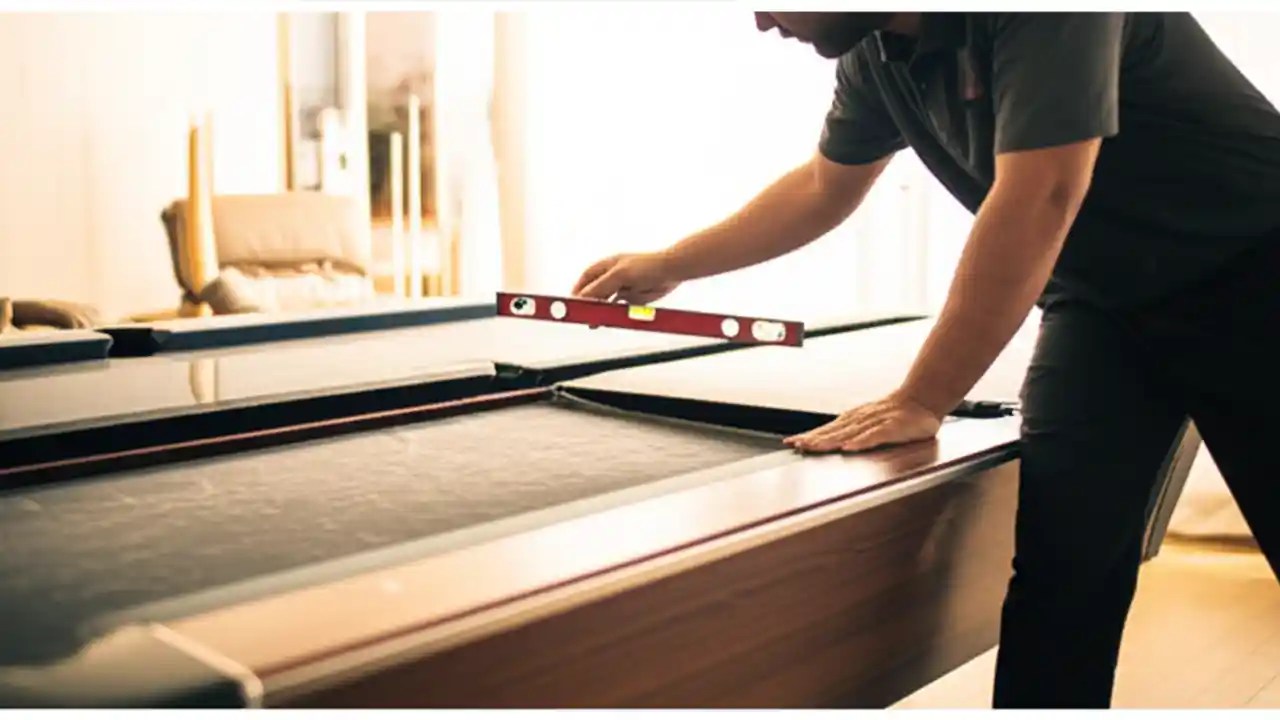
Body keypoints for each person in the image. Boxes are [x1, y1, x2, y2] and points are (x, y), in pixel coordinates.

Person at [571, 12, 1280, 709]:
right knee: (1062, 575)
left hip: (1253, 272)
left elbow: (1043, 194)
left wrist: (922, 398)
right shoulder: (879, 56)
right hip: (1102, 307)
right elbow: (824, 185)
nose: (760, 20)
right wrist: (671, 263)